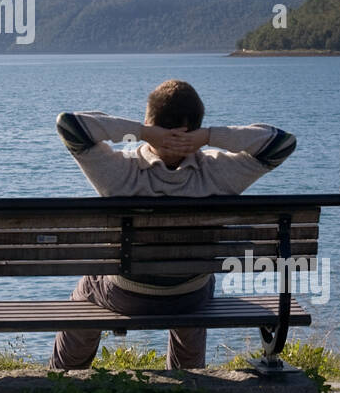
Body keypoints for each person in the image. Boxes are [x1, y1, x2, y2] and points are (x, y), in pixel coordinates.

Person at [49, 79, 296, 370]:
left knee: (89, 285)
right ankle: (187, 384)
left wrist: (142, 132)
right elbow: (281, 143)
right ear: (198, 127)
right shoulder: (218, 173)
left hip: (125, 295)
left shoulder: (119, 173)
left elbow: (70, 124)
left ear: (150, 122)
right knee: (196, 278)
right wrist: (208, 137)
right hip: (188, 297)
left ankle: (63, 377)